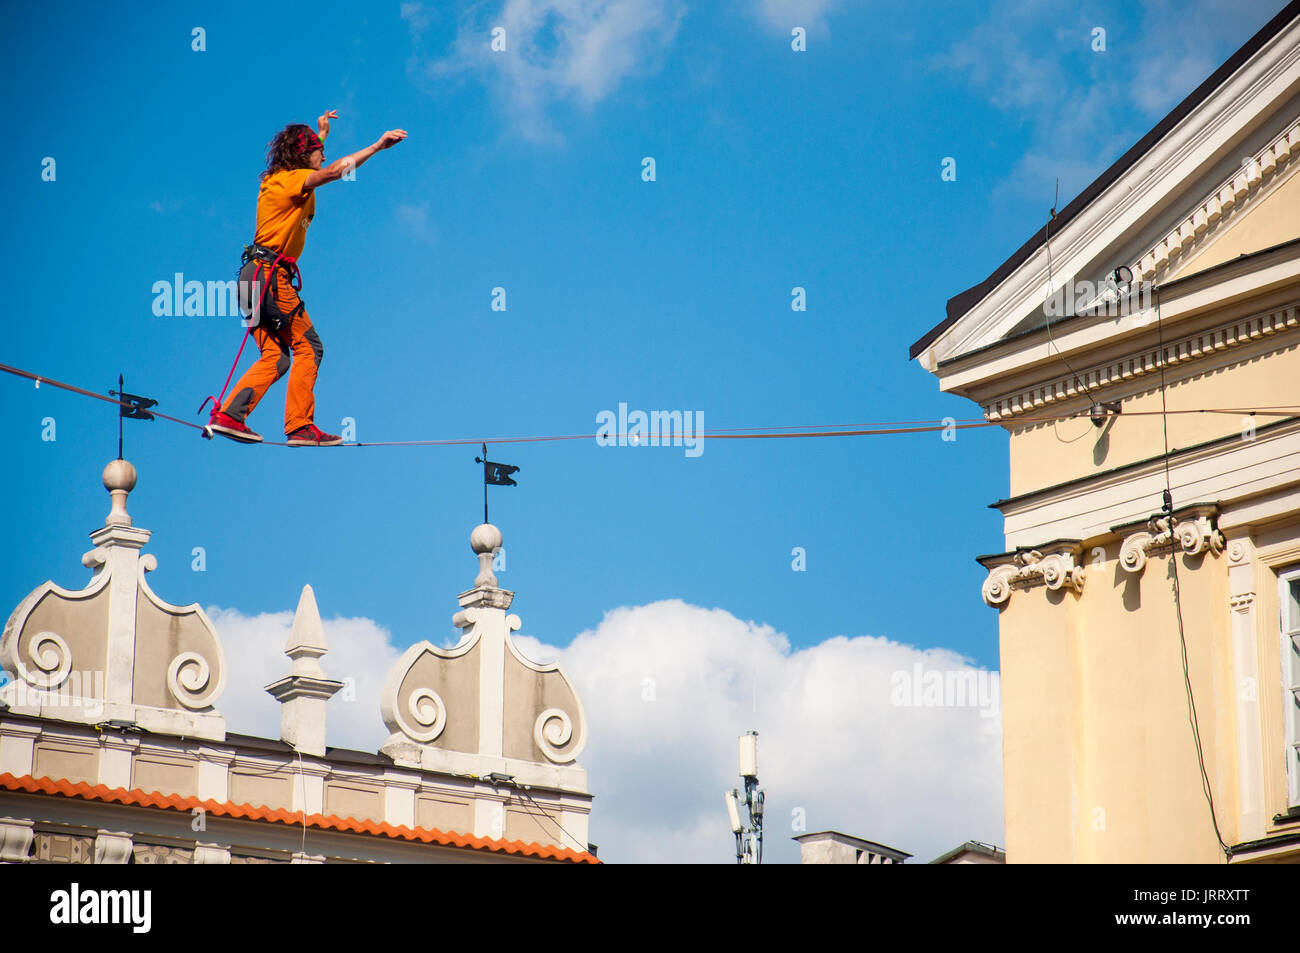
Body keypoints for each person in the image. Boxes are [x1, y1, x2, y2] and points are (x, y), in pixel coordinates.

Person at [208, 111, 406, 446]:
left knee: (277, 356)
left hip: (252, 278)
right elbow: (329, 171)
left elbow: (316, 162)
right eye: (318, 149)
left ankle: (229, 415)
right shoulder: (289, 180)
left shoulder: (283, 179)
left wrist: (322, 134)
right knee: (309, 347)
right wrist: (376, 146)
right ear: (303, 155)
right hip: (269, 278)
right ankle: (300, 426)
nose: (324, 154)